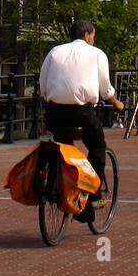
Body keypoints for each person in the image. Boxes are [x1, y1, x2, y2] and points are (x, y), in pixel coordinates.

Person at [38, 19, 124, 221]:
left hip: (55, 112)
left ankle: (57, 186)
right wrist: (116, 103)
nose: (94, 39)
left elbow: (43, 85)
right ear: (87, 35)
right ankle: (91, 197)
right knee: (97, 147)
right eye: (93, 35)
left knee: (63, 145)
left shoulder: (54, 52)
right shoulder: (96, 54)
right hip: (81, 113)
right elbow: (105, 90)